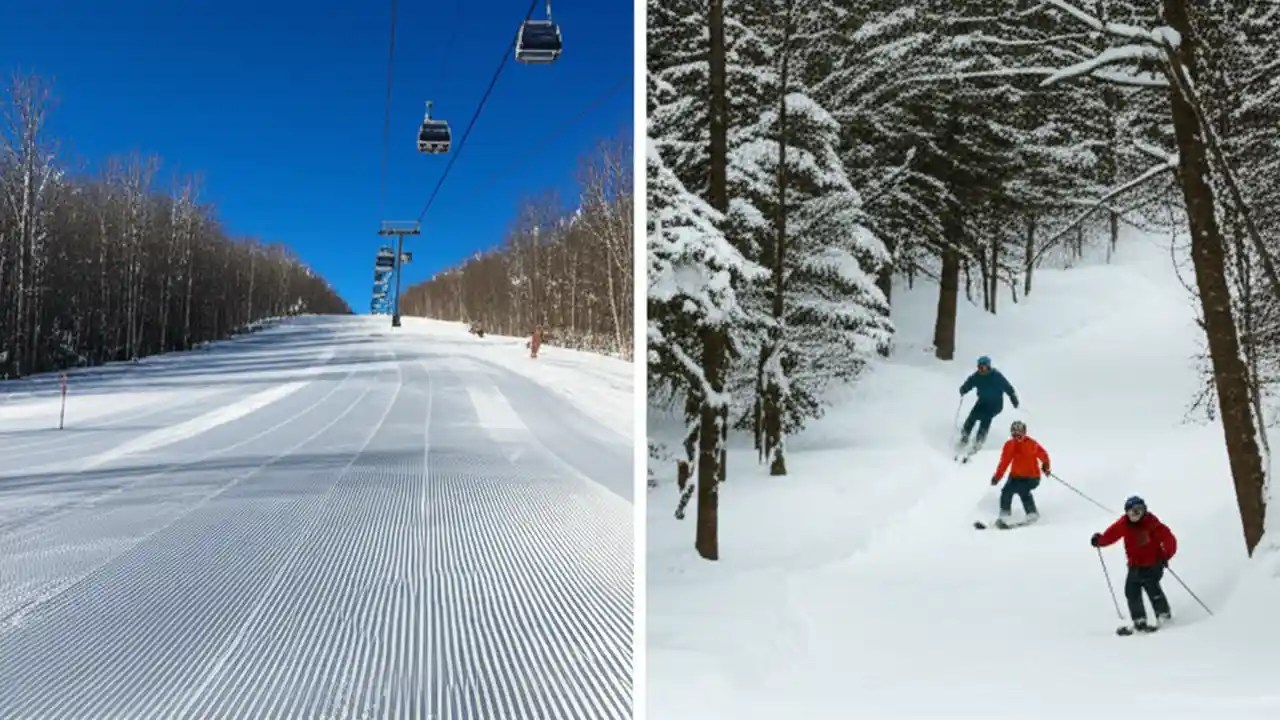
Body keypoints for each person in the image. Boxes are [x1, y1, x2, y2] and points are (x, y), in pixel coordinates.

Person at [1091, 496, 1177, 632]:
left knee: (1152, 589)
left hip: (1152, 564)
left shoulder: (1152, 524)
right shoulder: (1124, 524)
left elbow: (1169, 539)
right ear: (1127, 513)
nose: (1135, 515)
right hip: (1134, 565)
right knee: (1132, 592)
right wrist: (1100, 541)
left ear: (1144, 510)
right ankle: (1139, 620)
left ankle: (1163, 615)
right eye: (1131, 512)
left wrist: (1166, 556)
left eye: (1138, 511)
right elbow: (1112, 534)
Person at [990, 420, 1049, 527]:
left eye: (1019, 434)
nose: (1017, 437)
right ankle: (1005, 515)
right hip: (1015, 476)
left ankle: (1032, 513)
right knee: (1006, 491)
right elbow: (1004, 462)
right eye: (1014, 434)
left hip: (1032, 477)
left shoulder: (1031, 444)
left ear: (1024, 432)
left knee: (1022, 490)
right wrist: (997, 477)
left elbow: (1043, 455)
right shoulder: (1009, 445)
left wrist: (1046, 466)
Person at [958, 355, 1019, 451]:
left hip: (995, 405)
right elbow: (970, 383)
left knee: (985, 419)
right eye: (979, 367)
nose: (981, 370)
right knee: (971, 418)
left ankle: (979, 441)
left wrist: (1013, 397)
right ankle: (964, 438)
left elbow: (1007, 387)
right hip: (982, 402)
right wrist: (964, 389)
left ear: (988, 366)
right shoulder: (977, 376)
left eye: (983, 367)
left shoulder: (996, 376)